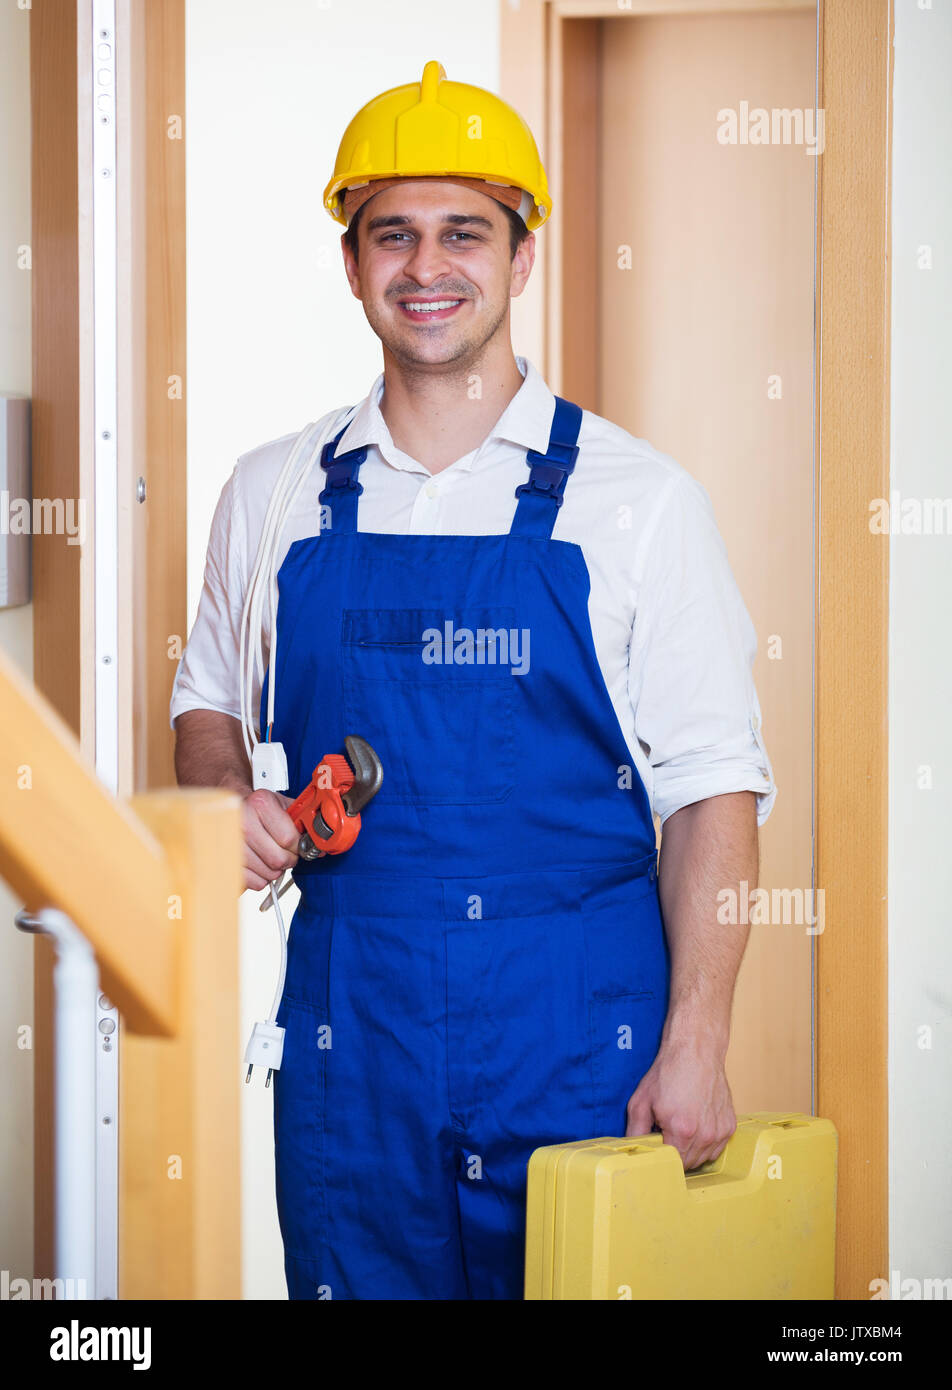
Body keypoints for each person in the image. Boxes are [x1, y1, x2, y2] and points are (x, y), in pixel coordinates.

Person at [171, 60, 776, 1301]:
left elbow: (714, 791)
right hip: (356, 1028)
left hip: (576, 1028)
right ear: (351, 265)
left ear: (521, 256)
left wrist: (697, 1042)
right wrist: (223, 791)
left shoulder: (638, 504)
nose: (425, 267)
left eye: (464, 233)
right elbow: (205, 705)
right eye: (391, 235)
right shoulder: (272, 491)